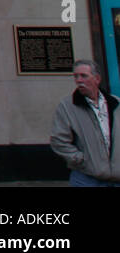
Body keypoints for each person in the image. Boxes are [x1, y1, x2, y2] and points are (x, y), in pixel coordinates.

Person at [49, 58, 119, 186]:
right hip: (86, 178)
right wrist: (81, 160)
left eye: (83, 76)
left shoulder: (116, 103)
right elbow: (58, 141)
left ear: (97, 79)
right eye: (76, 76)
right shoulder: (67, 106)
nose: (79, 80)